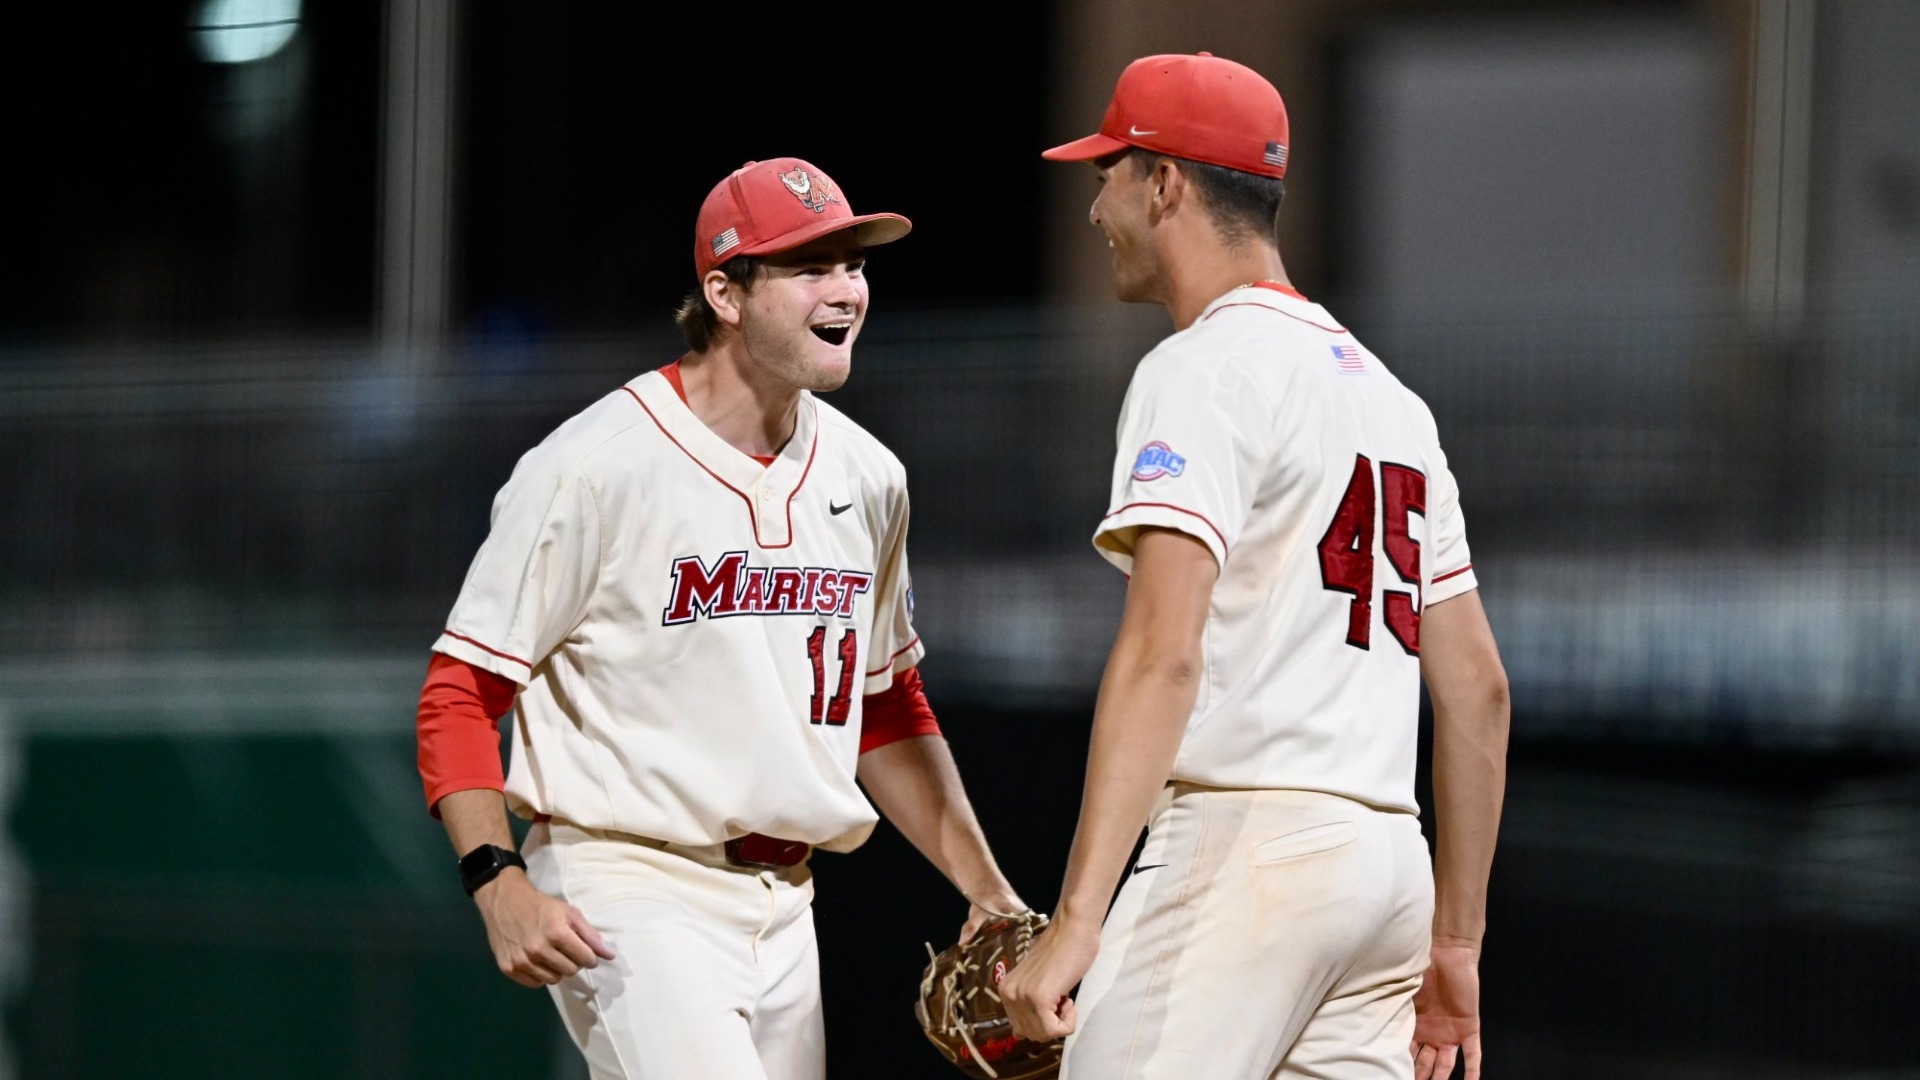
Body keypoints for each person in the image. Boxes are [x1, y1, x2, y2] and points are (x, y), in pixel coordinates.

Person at [413, 157, 1025, 1080]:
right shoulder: (592, 466)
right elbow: (459, 695)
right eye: (812, 266)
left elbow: (886, 705)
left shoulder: (869, 477)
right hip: (628, 882)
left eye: (854, 263)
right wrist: (496, 881)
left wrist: (991, 894)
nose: (847, 288)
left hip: (788, 901)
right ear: (724, 293)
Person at [1001, 53, 1510, 1080]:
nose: (1097, 200)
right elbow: (1479, 691)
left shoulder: (1202, 366)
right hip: (1386, 870)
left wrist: (1078, 919)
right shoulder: (1395, 405)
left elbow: (1163, 657)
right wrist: (1454, 942)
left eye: (1110, 168)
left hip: (1246, 855)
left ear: (1167, 183)